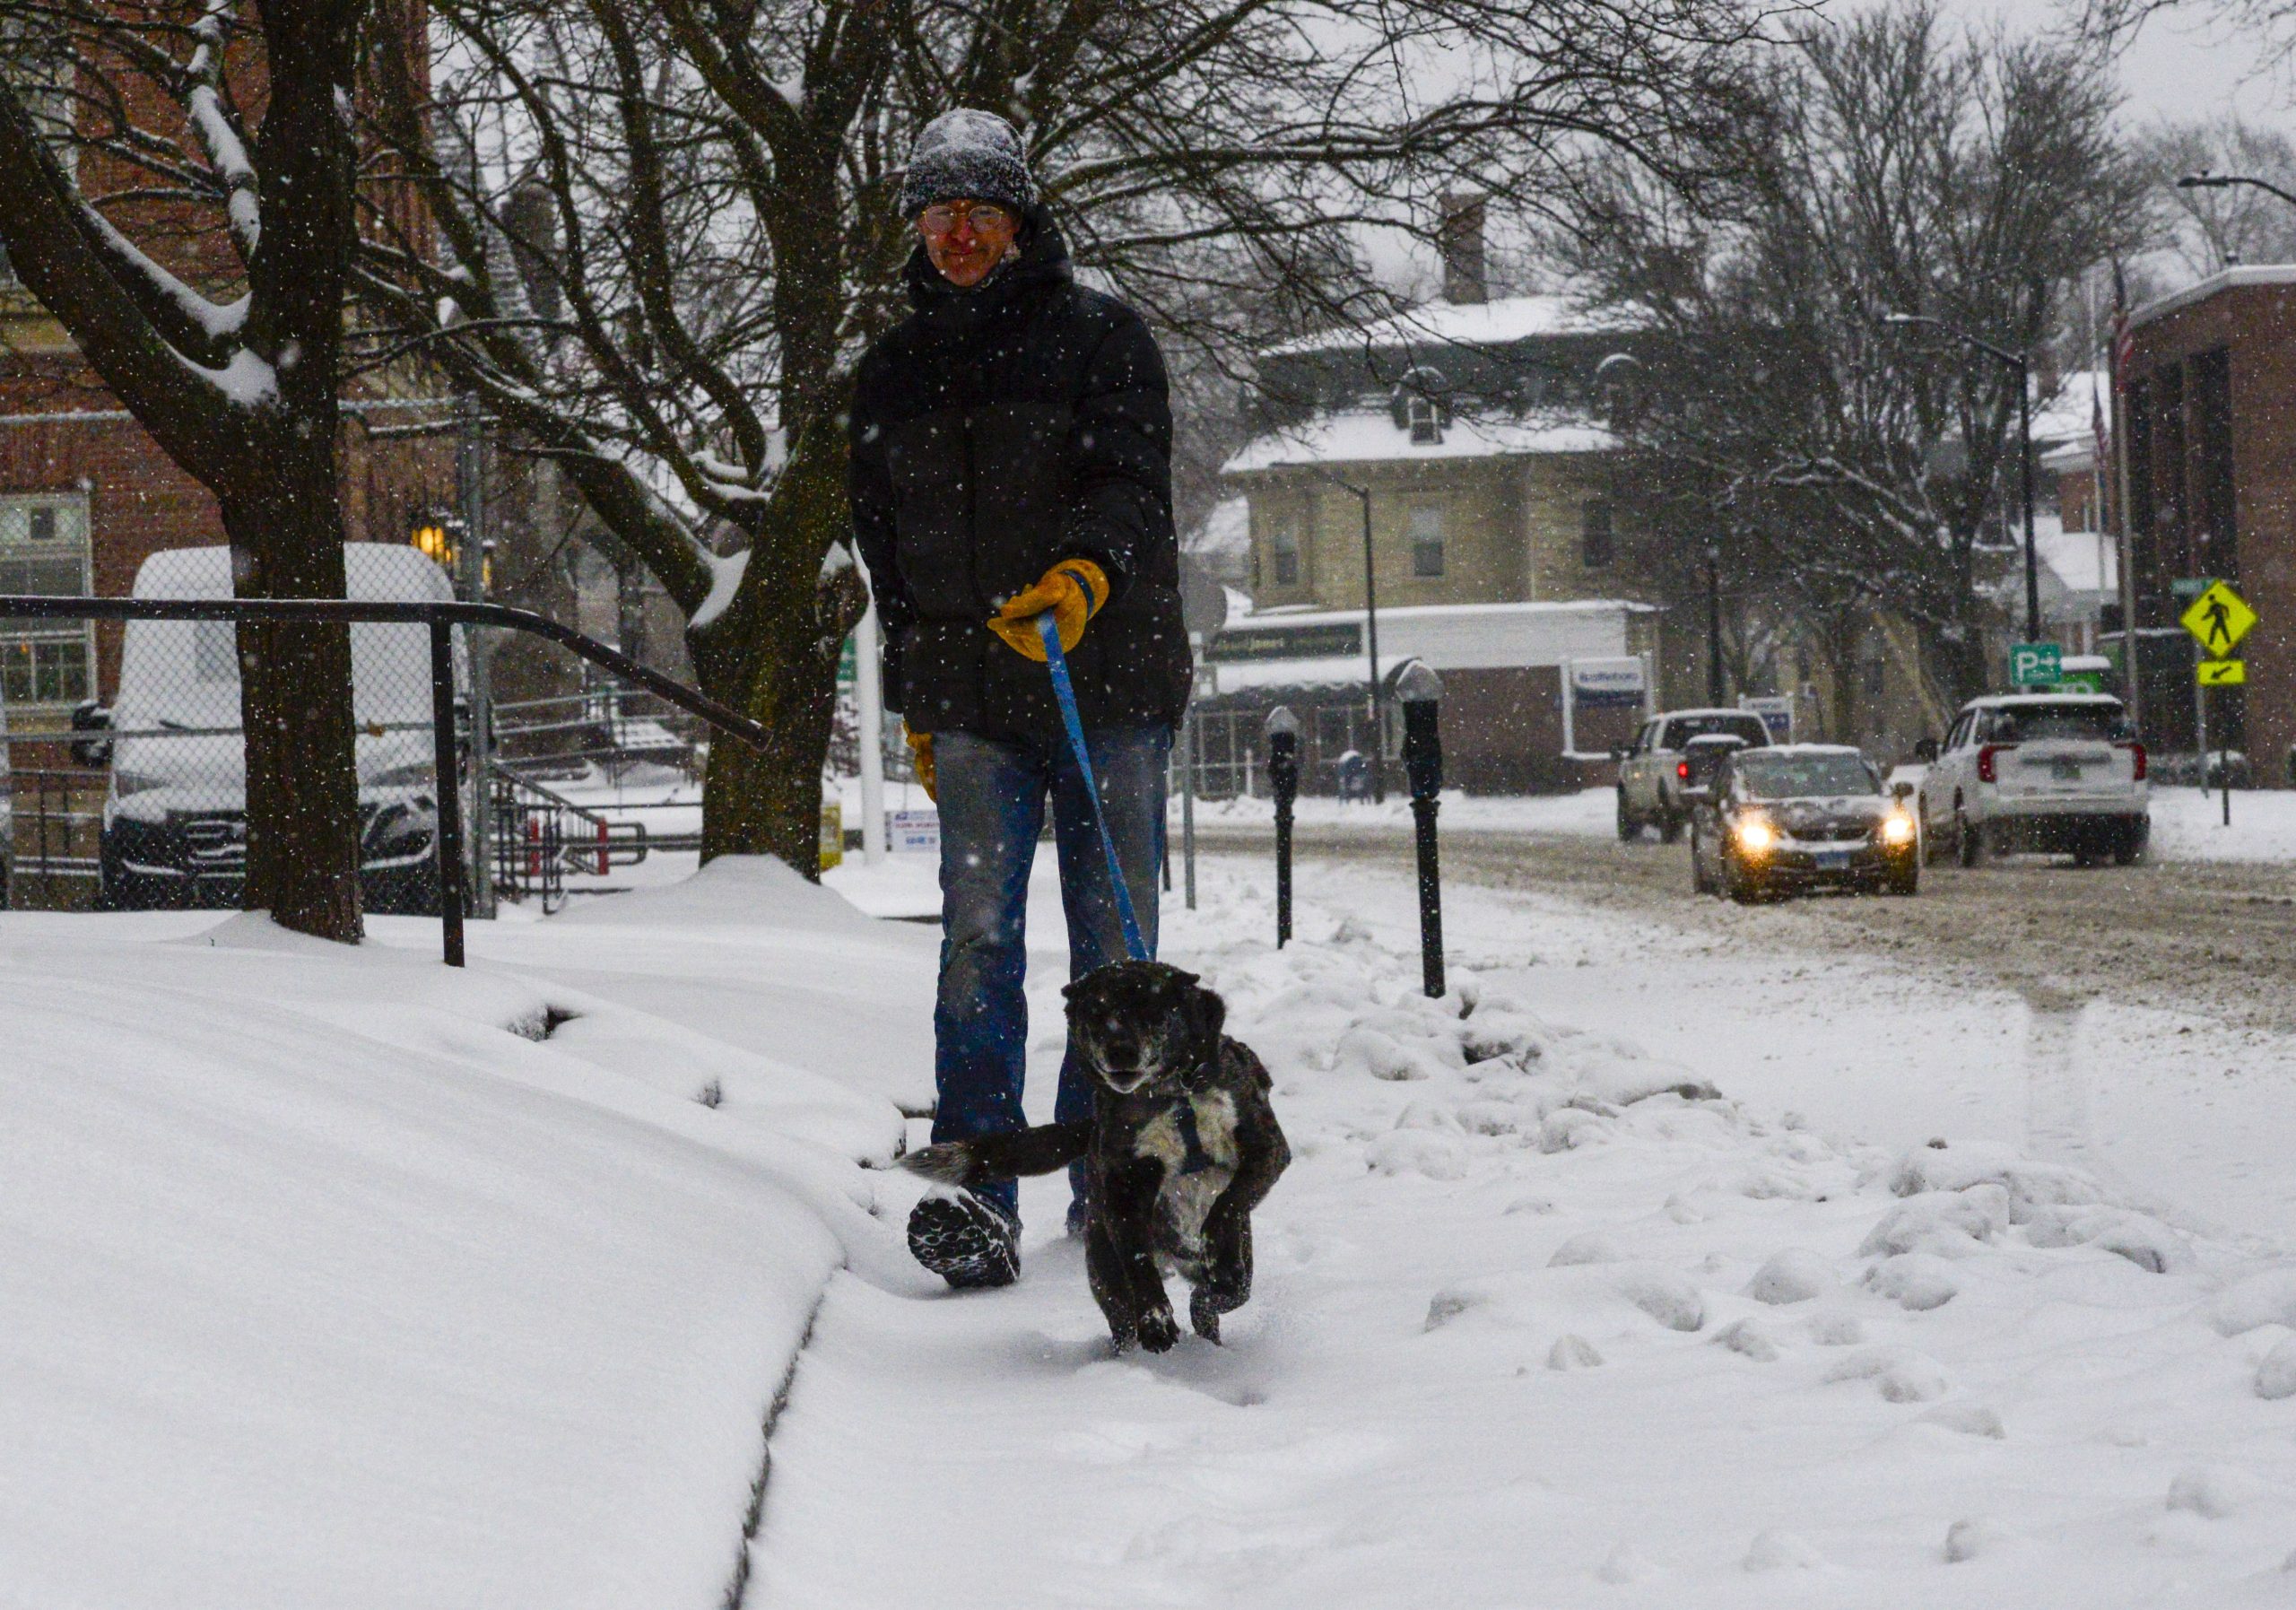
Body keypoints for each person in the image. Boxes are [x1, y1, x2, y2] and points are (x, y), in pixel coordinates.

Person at [848, 109, 1191, 1289]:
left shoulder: (1103, 339)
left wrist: (1086, 572)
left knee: (1112, 951)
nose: (958, 233)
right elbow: (889, 558)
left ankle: (1112, 1185)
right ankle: (980, 1194)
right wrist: (917, 708)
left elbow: (1130, 482)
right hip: (976, 704)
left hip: (1110, 689)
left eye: (980, 211)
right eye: (939, 212)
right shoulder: (889, 376)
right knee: (976, 945)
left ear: (1018, 220)